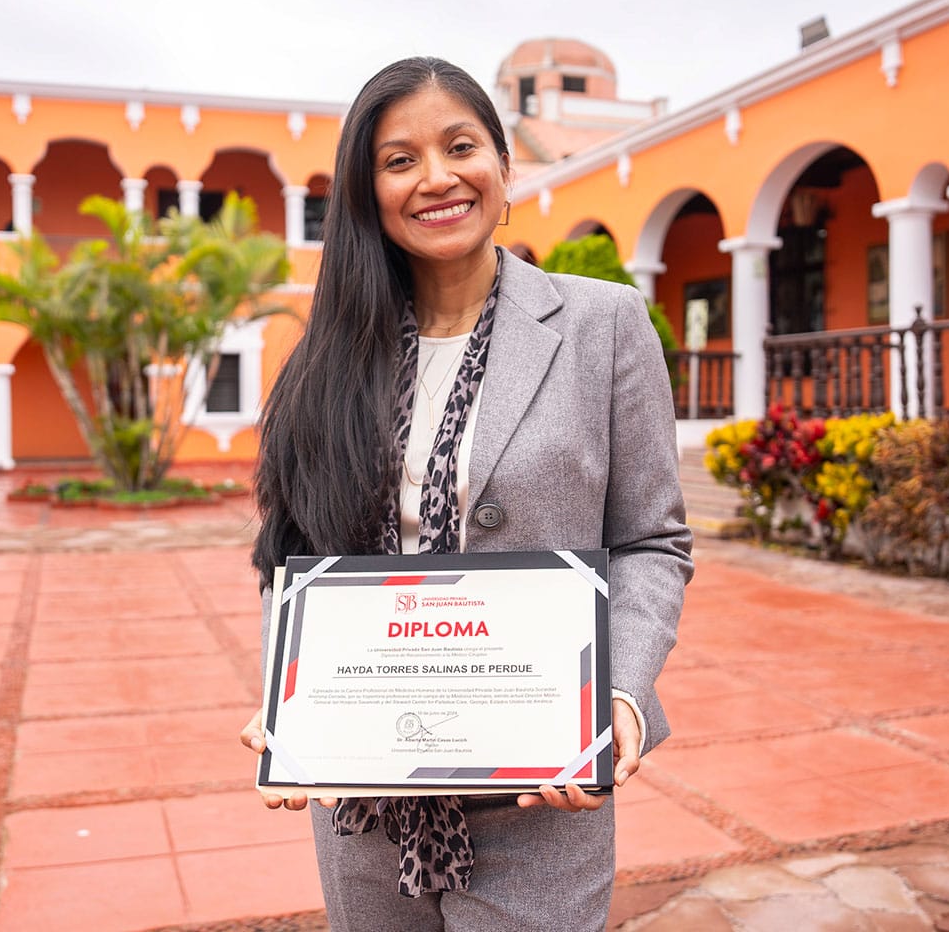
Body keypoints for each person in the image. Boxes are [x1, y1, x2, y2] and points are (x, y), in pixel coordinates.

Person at [238, 56, 693, 932]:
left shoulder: (604, 325)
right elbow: (292, 556)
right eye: (400, 160)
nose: (437, 178)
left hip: (540, 794)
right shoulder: (326, 361)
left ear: (503, 166)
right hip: (365, 793)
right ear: (367, 192)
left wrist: (621, 693)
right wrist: (287, 694)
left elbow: (650, 542)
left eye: (460, 146)